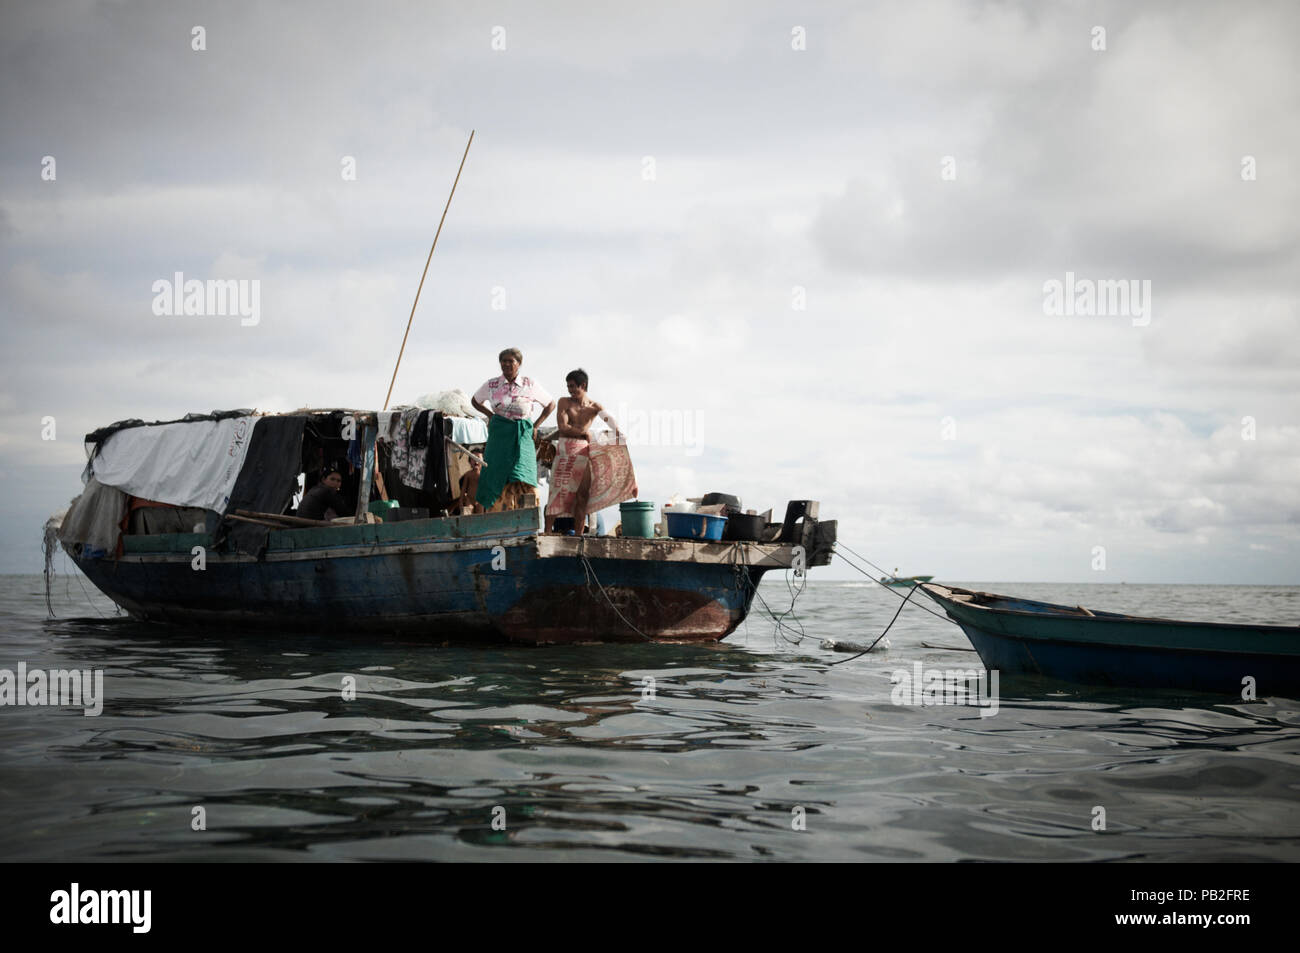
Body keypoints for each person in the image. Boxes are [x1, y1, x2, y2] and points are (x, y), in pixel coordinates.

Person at [545, 368, 636, 533]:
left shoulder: (594, 406)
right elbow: (563, 427)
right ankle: (547, 531)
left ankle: (579, 535)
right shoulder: (564, 402)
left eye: (573, 386)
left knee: (582, 496)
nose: (570, 390)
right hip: (565, 449)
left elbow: (609, 419)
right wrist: (584, 432)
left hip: (583, 450)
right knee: (557, 494)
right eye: (568, 387)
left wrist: (619, 433)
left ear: (583, 385)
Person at [471, 348, 555, 511]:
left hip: (522, 433)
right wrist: (490, 415)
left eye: (511, 361)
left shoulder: (529, 384)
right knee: (495, 470)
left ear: (519, 364)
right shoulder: (492, 384)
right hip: (499, 434)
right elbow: (475, 401)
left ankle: (525, 511)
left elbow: (550, 404)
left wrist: (536, 426)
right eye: (504, 361)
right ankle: (498, 511)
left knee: (523, 471)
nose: (507, 364)